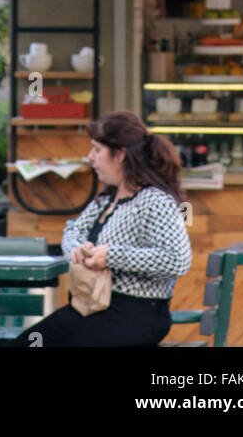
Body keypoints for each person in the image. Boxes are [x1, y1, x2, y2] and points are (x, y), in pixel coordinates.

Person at [15, 111, 191, 348]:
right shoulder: (106, 199)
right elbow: (73, 230)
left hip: (133, 315)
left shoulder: (154, 201)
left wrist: (111, 256)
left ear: (120, 154)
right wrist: (77, 248)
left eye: (97, 150)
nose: (90, 157)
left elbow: (177, 260)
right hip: (90, 307)